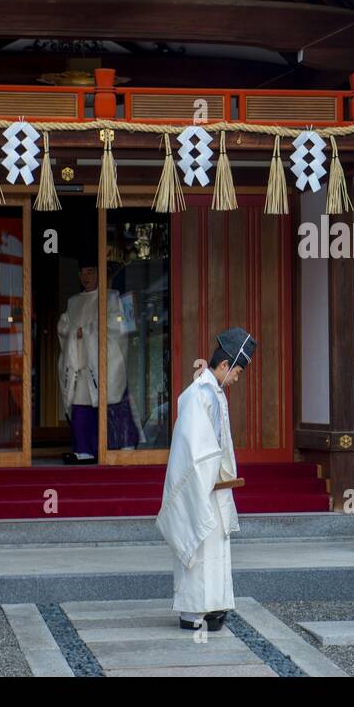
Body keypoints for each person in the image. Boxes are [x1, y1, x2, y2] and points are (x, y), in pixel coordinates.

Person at [156, 327, 256, 632]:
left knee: (215, 548)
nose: (237, 379)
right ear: (224, 366)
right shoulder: (198, 394)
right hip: (201, 482)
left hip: (214, 482)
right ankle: (193, 613)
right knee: (200, 547)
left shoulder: (212, 391)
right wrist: (210, 473)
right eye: (237, 372)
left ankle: (212, 607)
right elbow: (192, 445)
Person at [56, 258, 141, 463]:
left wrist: (87, 332)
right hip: (80, 363)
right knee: (81, 403)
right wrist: (72, 332)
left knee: (113, 399)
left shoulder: (112, 298)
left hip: (104, 362)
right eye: (83, 273)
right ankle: (84, 448)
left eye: (90, 272)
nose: (86, 277)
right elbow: (63, 326)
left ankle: (123, 443)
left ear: (99, 274)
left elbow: (120, 325)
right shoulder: (73, 302)